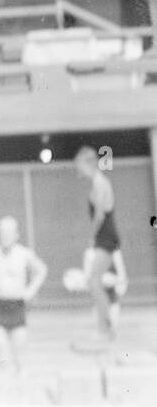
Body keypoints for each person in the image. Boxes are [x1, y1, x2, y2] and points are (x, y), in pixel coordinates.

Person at [0, 216, 47, 387]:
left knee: (19, 344)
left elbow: (41, 270)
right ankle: (3, 375)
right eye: (2, 232)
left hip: (18, 304)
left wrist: (30, 291)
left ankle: (21, 375)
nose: (6, 235)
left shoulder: (24, 253)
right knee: (0, 343)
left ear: (17, 234)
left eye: (9, 232)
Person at [72, 146, 129, 341]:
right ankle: (106, 327)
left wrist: (93, 238)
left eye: (79, 166)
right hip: (104, 236)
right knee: (94, 282)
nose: (78, 170)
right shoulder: (98, 183)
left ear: (88, 164)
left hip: (106, 236)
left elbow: (99, 216)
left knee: (95, 282)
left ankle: (105, 329)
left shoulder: (100, 183)